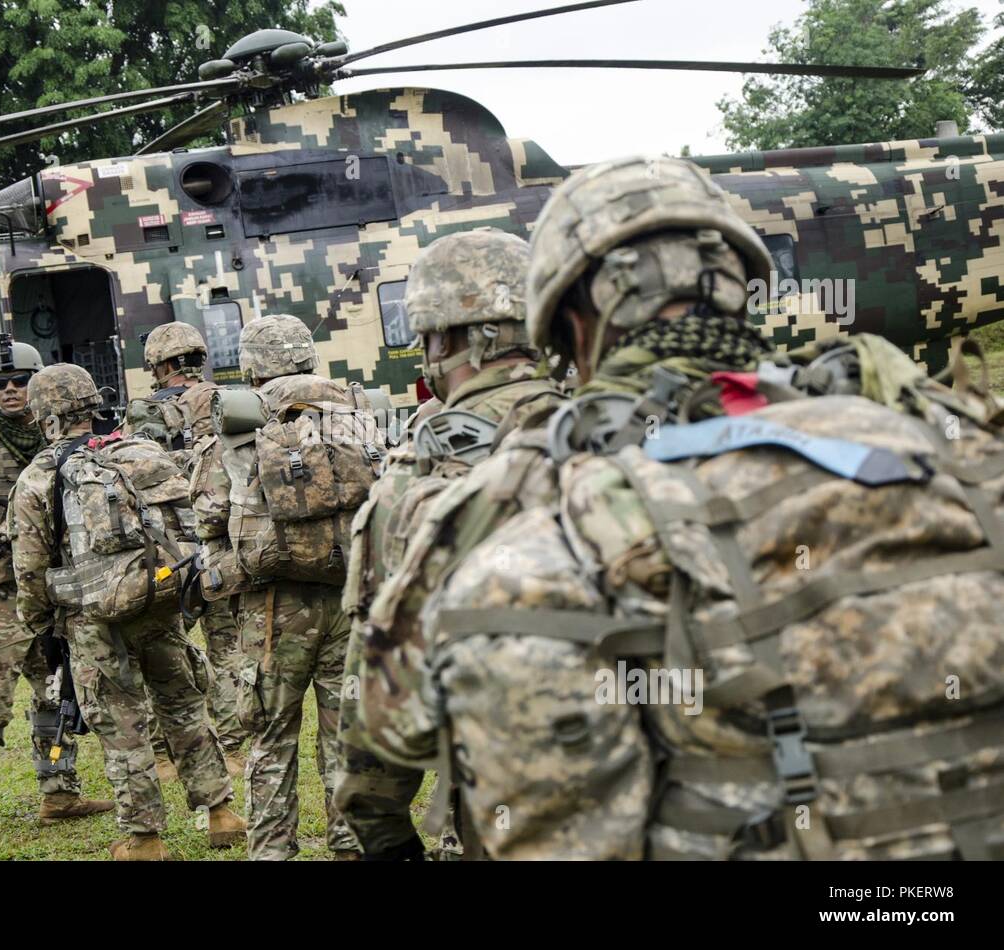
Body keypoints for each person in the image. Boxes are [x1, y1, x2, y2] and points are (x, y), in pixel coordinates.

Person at [405, 155, 1004, 859]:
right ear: (739, 287)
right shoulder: (959, 450)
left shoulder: (549, 532)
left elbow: (414, 733)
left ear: (570, 326)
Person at [335, 229, 564, 860]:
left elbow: (377, 684)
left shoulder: (422, 472)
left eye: (429, 339)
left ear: (456, 338)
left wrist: (382, 832)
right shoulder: (627, 428)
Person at [7, 363, 244, 861]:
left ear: (45, 416)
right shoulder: (141, 451)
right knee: (181, 704)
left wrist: (40, 625)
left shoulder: (37, 477)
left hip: (92, 617)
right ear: (94, 405)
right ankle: (221, 813)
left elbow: (29, 569)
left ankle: (144, 839)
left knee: (122, 724)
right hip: (159, 599)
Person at [188, 314, 386, 860]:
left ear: (250, 364)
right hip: (349, 595)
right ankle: (350, 847)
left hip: (272, 608)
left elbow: (207, 513)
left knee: (272, 738)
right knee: (345, 733)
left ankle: (273, 852)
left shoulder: (240, 421)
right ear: (309, 356)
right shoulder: (353, 411)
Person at [0, 339, 113, 851]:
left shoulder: (54, 432)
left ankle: (59, 791)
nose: (10, 391)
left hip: (49, 590)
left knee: (56, 696)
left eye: (19, 383)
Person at [129, 321, 248, 772]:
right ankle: (235, 745)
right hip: (221, 538)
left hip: (168, 547)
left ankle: (163, 753)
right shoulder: (231, 402)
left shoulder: (142, 412)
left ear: (161, 365)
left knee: (165, 647)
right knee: (227, 645)